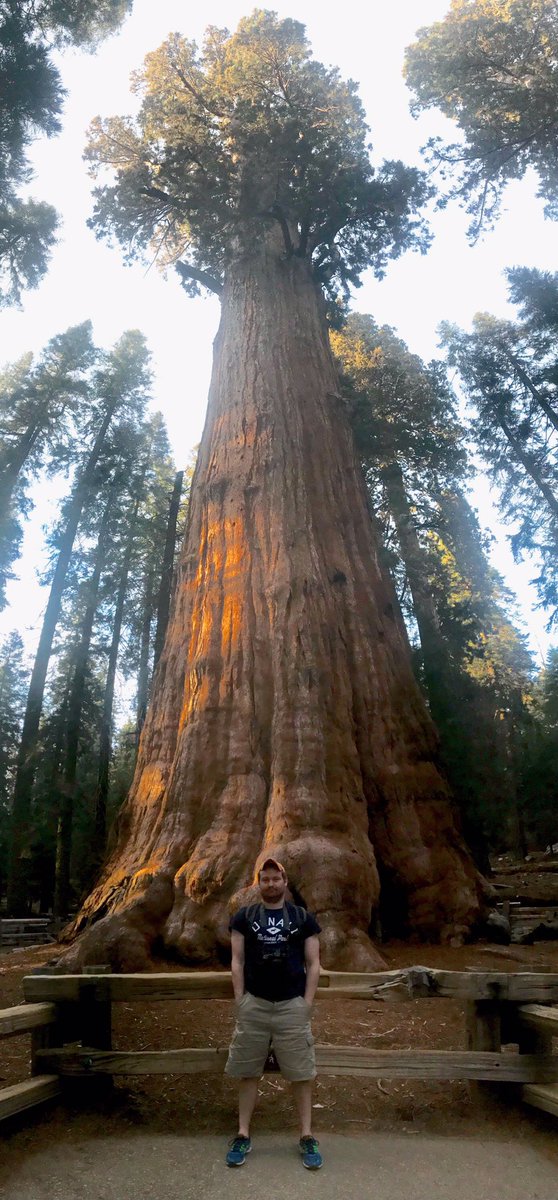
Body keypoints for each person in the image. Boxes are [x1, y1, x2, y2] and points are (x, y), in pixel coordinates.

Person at [225, 856, 323, 1170]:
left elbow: (314, 964)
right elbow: (237, 961)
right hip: (255, 1004)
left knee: (301, 1074)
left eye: (276, 878)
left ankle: (307, 1135)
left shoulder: (302, 918)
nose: (271, 884)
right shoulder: (243, 917)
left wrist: (306, 1003)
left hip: (292, 1006)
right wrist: (240, 1000)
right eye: (265, 879)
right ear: (259, 883)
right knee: (248, 1070)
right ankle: (242, 1133)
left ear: (284, 882)